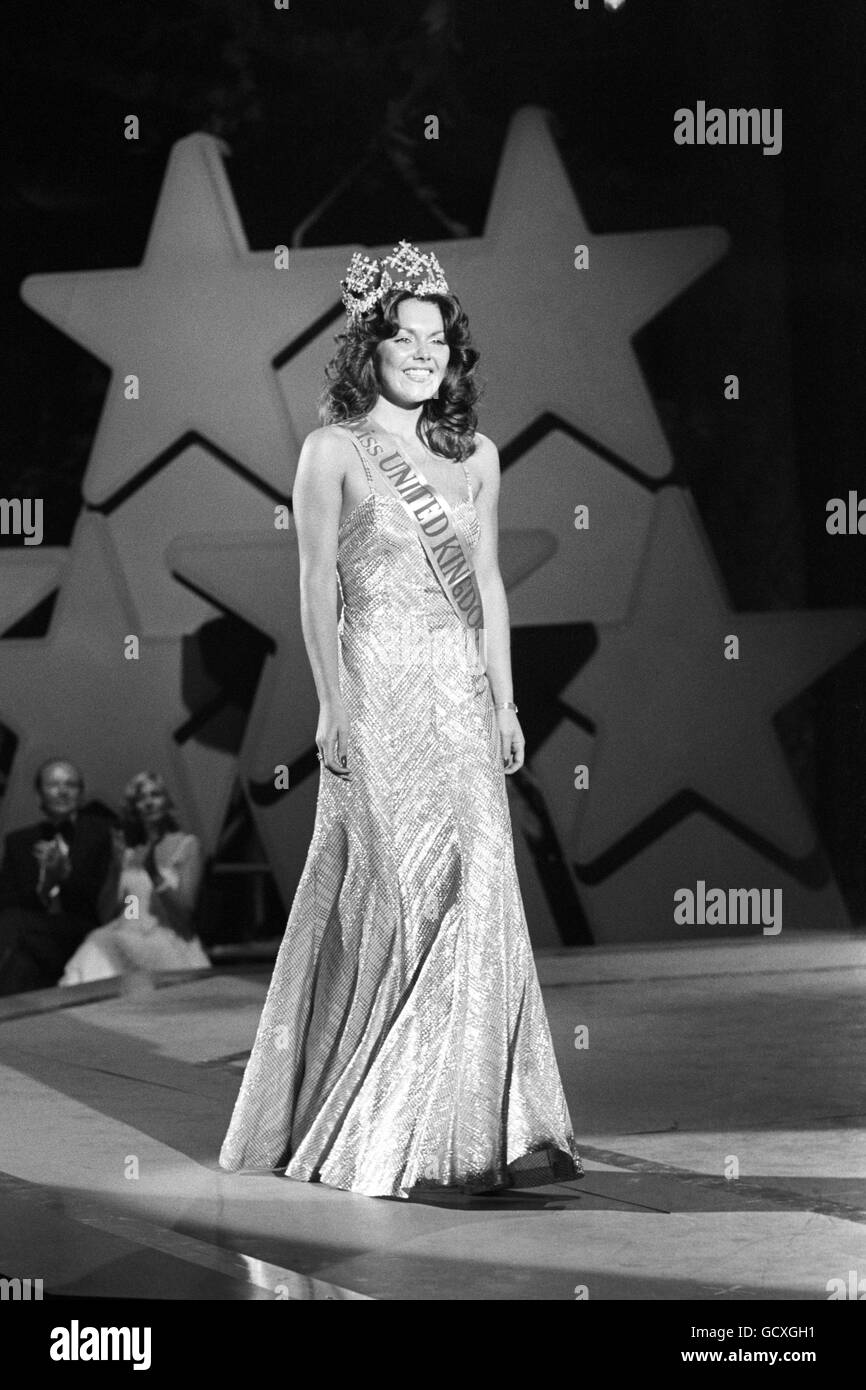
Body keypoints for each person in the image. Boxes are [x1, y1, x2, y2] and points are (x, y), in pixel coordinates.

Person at [219, 240, 582, 1199]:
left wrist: (505, 702)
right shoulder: (331, 451)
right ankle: (388, 1126)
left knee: (483, 892)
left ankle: (471, 1129)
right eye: (405, 337)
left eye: (438, 341)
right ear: (369, 348)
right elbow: (314, 587)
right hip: (377, 698)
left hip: (461, 703)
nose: (424, 354)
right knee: (403, 901)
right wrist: (331, 705)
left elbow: (491, 587)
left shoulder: (479, 459)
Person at [59, 771, 209, 984]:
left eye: (155, 795)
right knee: (99, 943)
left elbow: (183, 913)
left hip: (168, 939)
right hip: (128, 935)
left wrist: (154, 873)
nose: (148, 803)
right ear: (134, 808)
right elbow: (126, 909)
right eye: (141, 798)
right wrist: (115, 867)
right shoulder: (130, 853)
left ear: (167, 801)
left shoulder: (187, 845)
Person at [0, 758, 114, 995]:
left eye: (70, 785)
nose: (62, 791)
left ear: (81, 794)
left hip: (81, 932)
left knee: (11, 924)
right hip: (33, 937)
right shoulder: (19, 841)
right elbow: (8, 899)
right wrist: (44, 886)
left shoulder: (102, 834)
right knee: (20, 965)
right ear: (40, 795)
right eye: (53, 785)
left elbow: (117, 896)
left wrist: (64, 874)